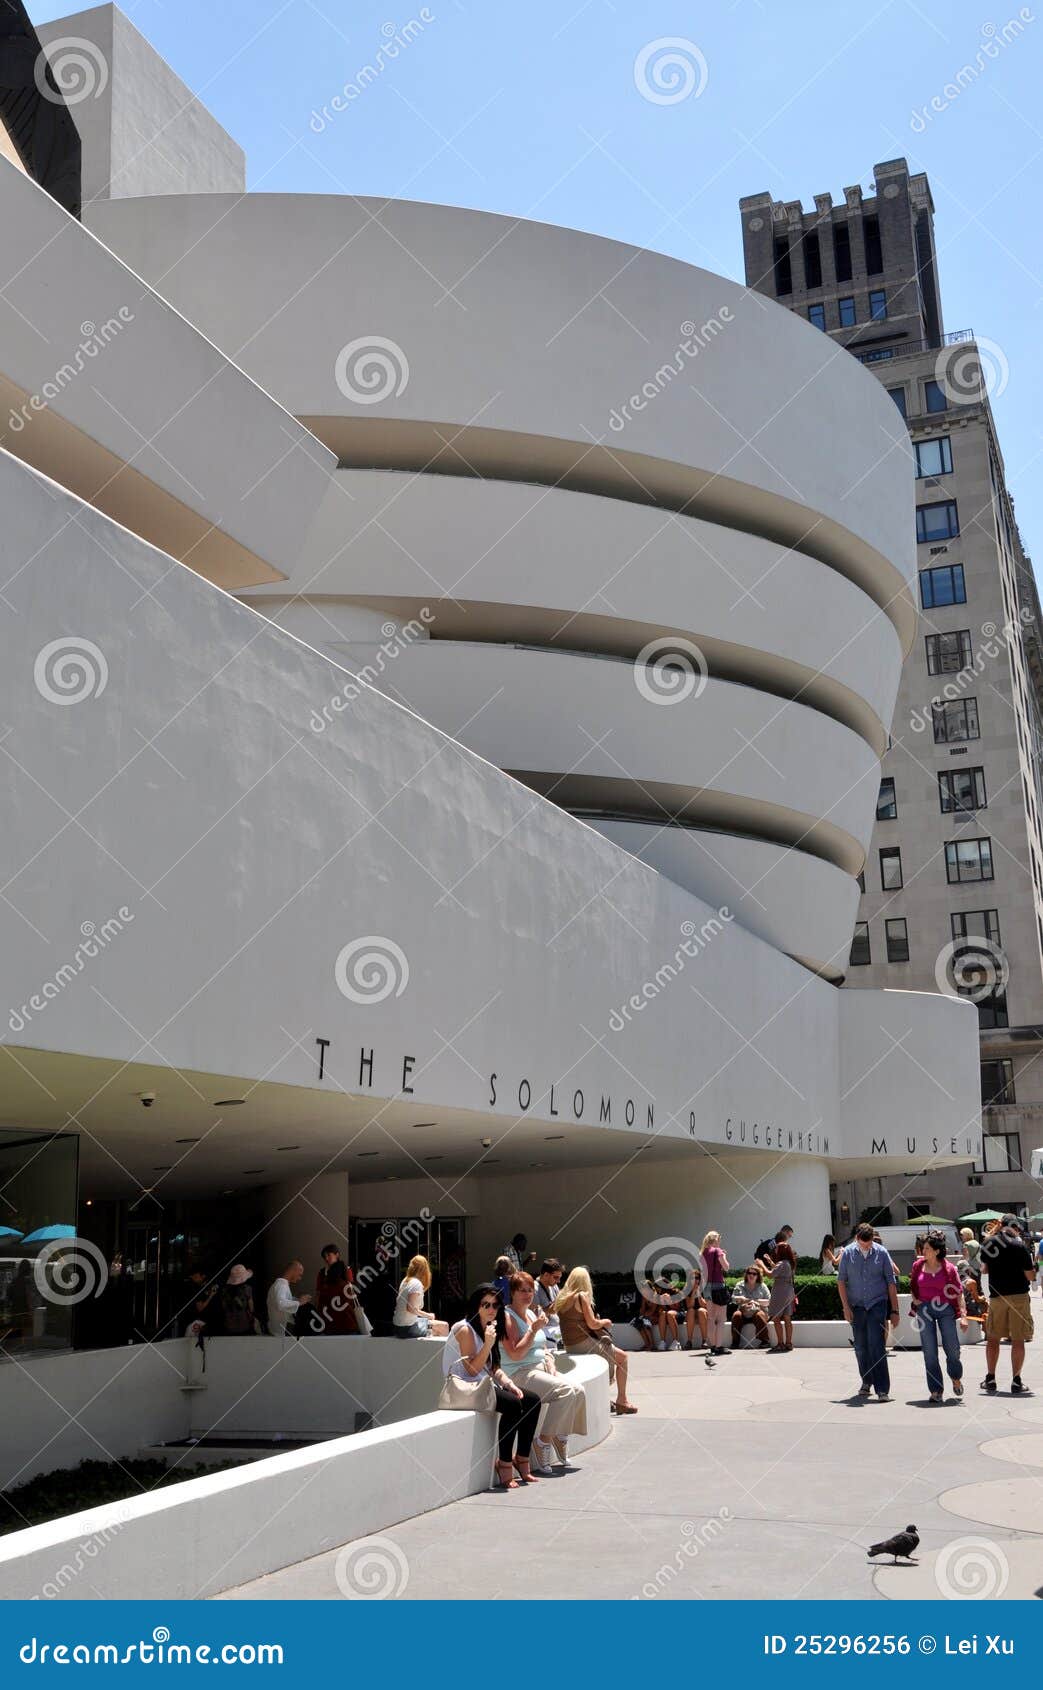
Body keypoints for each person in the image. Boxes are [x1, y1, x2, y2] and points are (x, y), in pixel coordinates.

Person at [441, 1284, 543, 1489]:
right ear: (476, 1305)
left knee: (532, 1400)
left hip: (482, 1384)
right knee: (513, 1405)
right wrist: (488, 1343)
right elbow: (471, 1370)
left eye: (495, 1305)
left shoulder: (488, 1326)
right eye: (485, 1304)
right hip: (465, 1388)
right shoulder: (464, 1329)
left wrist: (509, 1383)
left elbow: (493, 1367)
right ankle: (504, 1463)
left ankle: (521, 1458)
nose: (491, 1309)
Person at [501, 1271, 586, 1471]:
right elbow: (515, 1354)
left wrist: (550, 1360)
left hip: (540, 1369)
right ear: (512, 1292)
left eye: (530, 1290)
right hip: (519, 1373)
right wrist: (533, 1330)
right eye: (522, 1290)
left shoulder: (531, 1313)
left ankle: (561, 1434)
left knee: (579, 1390)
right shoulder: (507, 1316)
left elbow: (543, 1347)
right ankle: (542, 1442)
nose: (527, 1294)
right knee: (565, 1390)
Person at [557, 1266, 637, 1413]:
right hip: (583, 1344)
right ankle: (622, 1400)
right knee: (623, 1358)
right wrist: (606, 1322)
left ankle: (611, 1400)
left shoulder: (562, 1298)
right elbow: (592, 1324)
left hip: (569, 1345)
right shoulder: (581, 1296)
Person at [837, 1222, 900, 1400]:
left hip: (877, 1304)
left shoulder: (881, 1252)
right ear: (857, 1239)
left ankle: (882, 1389)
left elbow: (891, 1282)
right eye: (864, 1244)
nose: (867, 1247)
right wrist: (845, 1307)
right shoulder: (848, 1253)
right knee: (861, 1347)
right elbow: (841, 1281)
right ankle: (866, 1381)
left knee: (877, 1346)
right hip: (856, 1306)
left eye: (870, 1243)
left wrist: (894, 1310)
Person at [980, 1215, 1036, 1394]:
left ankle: (990, 1379)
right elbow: (1030, 1276)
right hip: (1019, 1296)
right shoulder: (1020, 1246)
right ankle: (1016, 1381)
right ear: (1014, 1228)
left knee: (993, 1338)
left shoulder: (989, 1243)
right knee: (1018, 1340)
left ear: (1001, 1226)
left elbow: (984, 1269)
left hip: (997, 1296)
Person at [910, 1229, 967, 1402]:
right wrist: (916, 1300)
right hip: (925, 1310)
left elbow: (959, 1293)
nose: (923, 1251)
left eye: (926, 1248)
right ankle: (936, 1390)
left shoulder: (949, 1269)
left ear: (936, 1251)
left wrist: (963, 1315)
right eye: (923, 1248)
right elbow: (912, 1286)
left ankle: (955, 1377)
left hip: (945, 1310)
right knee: (929, 1352)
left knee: (952, 1349)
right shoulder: (918, 1266)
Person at [392, 1254, 449, 1339]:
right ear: (424, 1269)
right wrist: (428, 1315)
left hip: (398, 1326)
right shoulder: (416, 1284)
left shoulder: (405, 1281)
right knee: (444, 1326)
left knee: (434, 1327)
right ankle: (442, 1352)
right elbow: (411, 1308)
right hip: (407, 1328)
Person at [763, 1239, 798, 1351]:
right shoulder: (790, 1263)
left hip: (780, 1291)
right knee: (787, 1317)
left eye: (777, 1249)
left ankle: (780, 1343)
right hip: (789, 1291)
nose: (775, 1251)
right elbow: (779, 1269)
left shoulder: (781, 1263)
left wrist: (761, 1265)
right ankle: (789, 1343)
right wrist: (770, 1262)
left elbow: (770, 1275)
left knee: (776, 1317)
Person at [701, 1231, 731, 1355]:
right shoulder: (718, 1251)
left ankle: (712, 1346)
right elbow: (726, 1267)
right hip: (718, 1286)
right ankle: (719, 1346)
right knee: (721, 1319)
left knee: (711, 1318)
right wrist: (724, 1255)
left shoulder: (702, 1252)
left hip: (706, 1287)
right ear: (716, 1240)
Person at [316, 1258, 362, 1335]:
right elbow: (353, 1304)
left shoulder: (325, 1288)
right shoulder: (346, 1287)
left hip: (330, 1327)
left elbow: (320, 1306)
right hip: (348, 1326)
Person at [267, 1261, 312, 1339]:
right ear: (293, 1270)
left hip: (282, 1330)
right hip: (282, 1331)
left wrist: (298, 1299)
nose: (300, 1278)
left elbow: (283, 1301)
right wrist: (299, 1302)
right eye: (299, 1275)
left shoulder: (282, 1284)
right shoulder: (281, 1285)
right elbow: (281, 1303)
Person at [730, 1265, 771, 1349]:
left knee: (760, 1315)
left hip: (758, 1311)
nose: (751, 1275)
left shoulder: (762, 1286)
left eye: (754, 1274)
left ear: (758, 1276)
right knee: (736, 1315)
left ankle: (765, 1341)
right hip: (743, 1311)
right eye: (749, 1273)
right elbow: (733, 1299)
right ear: (746, 1274)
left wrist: (756, 1302)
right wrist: (742, 1300)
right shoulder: (740, 1285)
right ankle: (735, 1342)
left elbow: (769, 1302)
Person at [215, 1264, 259, 1336]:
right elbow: (251, 1308)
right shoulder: (247, 1289)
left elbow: (224, 1306)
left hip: (229, 1325)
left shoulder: (224, 1290)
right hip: (244, 1324)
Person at [533, 1258, 564, 1348]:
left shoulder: (554, 1286)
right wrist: (552, 1308)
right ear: (546, 1275)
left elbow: (559, 1307)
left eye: (559, 1278)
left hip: (556, 1329)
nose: (558, 1281)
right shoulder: (534, 1288)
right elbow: (536, 1315)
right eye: (556, 1277)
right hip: (544, 1330)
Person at [680, 1267, 708, 1351]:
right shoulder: (686, 1290)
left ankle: (704, 1340)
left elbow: (704, 1305)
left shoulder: (704, 1288)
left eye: (697, 1278)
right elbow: (689, 1305)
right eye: (693, 1278)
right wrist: (693, 1292)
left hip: (702, 1312)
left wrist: (698, 1293)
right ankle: (689, 1341)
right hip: (691, 1313)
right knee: (691, 1311)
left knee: (701, 1311)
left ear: (700, 1279)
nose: (695, 1280)